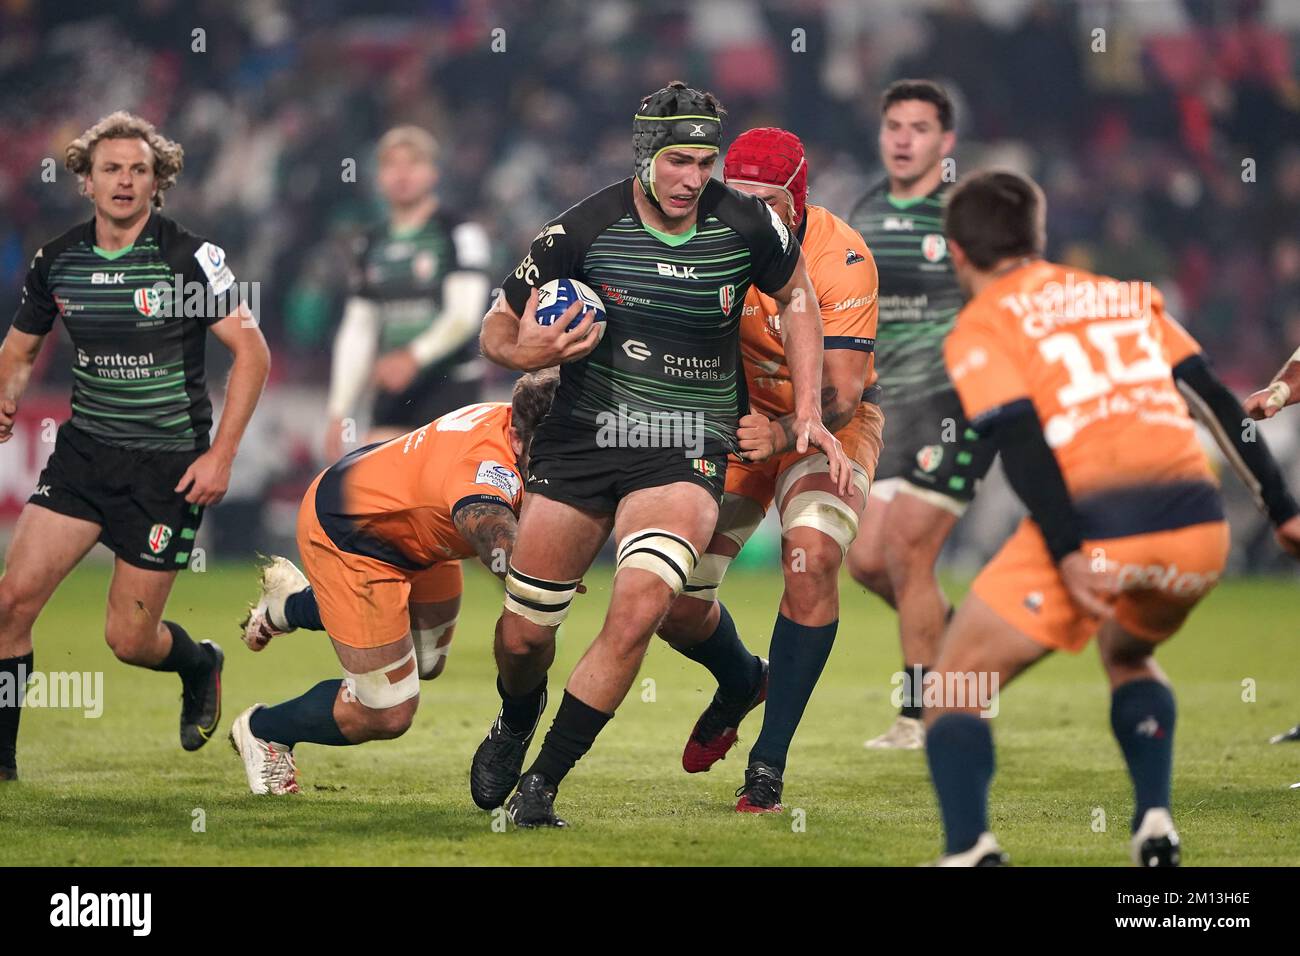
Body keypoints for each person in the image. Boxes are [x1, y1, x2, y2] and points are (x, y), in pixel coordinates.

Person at [471, 81, 850, 827]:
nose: (693, 178)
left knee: (642, 603)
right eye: (679, 160)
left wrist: (805, 409)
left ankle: (543, 784)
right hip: (583, 439)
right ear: (645, 155)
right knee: (523, 637)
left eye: (706, 162)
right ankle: (516, 717)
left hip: (686, 448)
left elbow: (800, 298)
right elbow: (496, 329)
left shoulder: (746, 224)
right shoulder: (580, 229)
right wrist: (532, 348)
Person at [925, 169, 1300, 866]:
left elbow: (1023, 443)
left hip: (1099, 527)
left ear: (957, 253)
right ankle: (1155, 819)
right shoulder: (1124, 296)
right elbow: (1215, 399)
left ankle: (968, 849)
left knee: (953, 689)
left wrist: (1068, 551)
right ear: (1037, 238)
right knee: (1128, 651)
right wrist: (1281, 510)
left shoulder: (983, 324)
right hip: (1198, 528)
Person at [0, 111, 270, 781]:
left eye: (139, 170)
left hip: (168, 471)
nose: (124, 181)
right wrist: (6, 390)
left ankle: (200, 662)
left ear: (159, 183)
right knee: (8, 605)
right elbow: (20, 348)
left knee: (127, 639)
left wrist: (221, 456)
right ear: (85, 182)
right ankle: (2, 767)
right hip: (85, 456)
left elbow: (252, 353)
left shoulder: (188, 257)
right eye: (111, 169)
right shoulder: (58, 259)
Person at [655, 127, 883, 812]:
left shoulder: (841, 257)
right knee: (670, 595)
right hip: (738, 426)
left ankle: (767, 763)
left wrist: (782, 430)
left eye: (767, 200)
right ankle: (740, 682)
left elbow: (840, 395)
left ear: (797, 198)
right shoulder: (704, 237)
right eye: (740, 196)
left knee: (809, 556)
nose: (750, 212)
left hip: (826, 432)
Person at [229, 371, 559, 795]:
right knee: (387, 711)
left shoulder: (527, 420)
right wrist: (545, 574)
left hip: (409, 526)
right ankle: (264, 729)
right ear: (516, 439)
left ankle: (292, 604)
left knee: (426, 661)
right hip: (354, 538)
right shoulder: (487, 467)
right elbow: (493, 539)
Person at [845, 80, 997, 750]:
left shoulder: (963, 213)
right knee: (866, 562)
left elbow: (1002, 294)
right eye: (894, 126)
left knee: (906, 554)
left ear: (946, 142)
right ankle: (960, 642)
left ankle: (920, 714)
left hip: (953, 406)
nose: (903, 139)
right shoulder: (867, 210)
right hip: (889, 408)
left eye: (919, 128)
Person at [324, 126, 492, 462]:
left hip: (450, 384)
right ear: (379, 175)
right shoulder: (370, 243)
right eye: (391, 165)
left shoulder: (459, 232)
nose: (402, 174)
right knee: (376, 484)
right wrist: (339, 410)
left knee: (437, 493)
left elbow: (465, 315)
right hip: (394, 388)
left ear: (433, 172)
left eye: (413, 163)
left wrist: (414, 356)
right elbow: (360, 327)